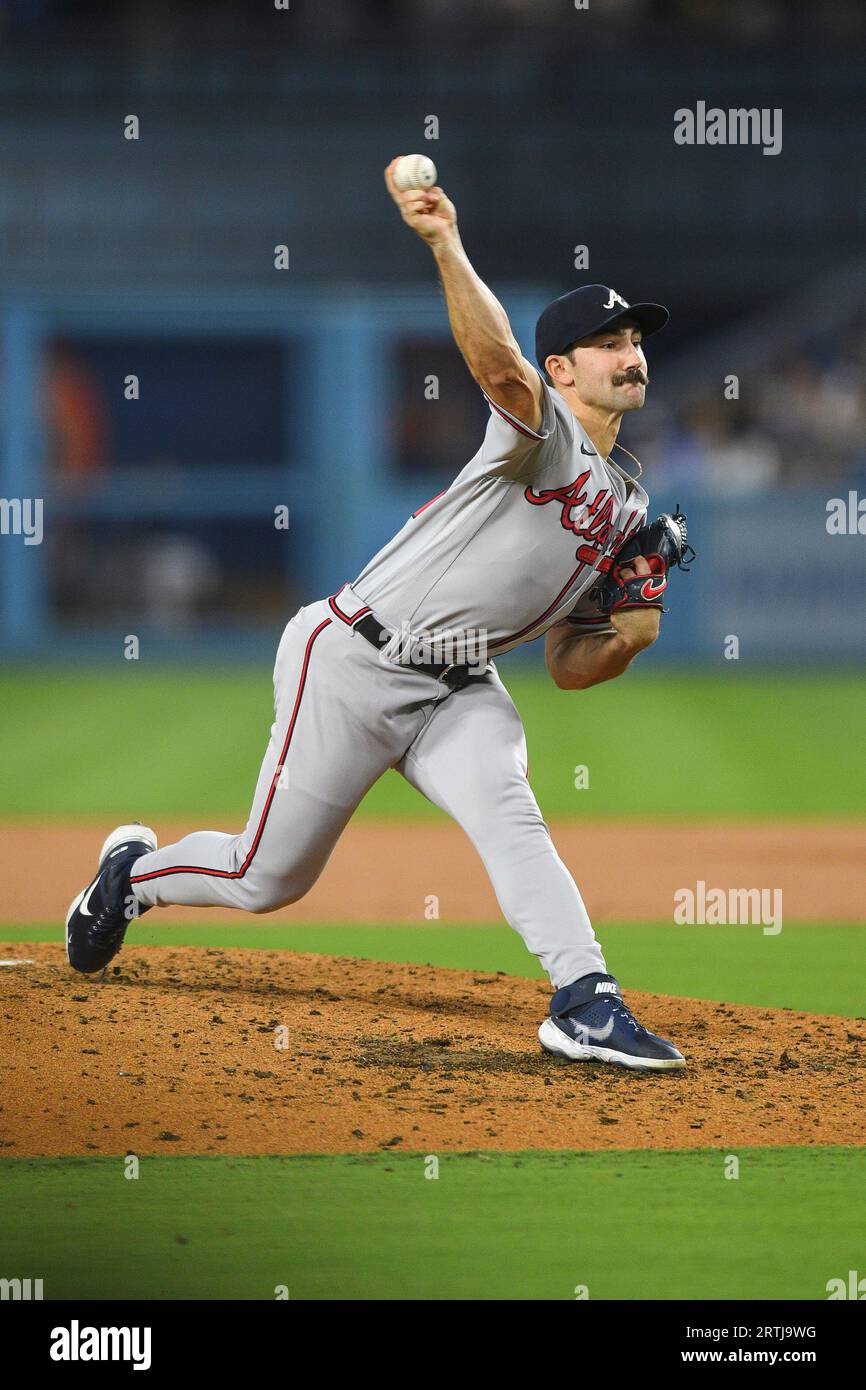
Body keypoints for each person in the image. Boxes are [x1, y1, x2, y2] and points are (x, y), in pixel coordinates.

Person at [65, 158, 686, 1072]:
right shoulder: (541, 427)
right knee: (265, 877)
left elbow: (566, 665)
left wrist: (629, 635)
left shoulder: (627, 507)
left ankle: (584, 1001)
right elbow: (493, 362)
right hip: (353, 660)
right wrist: (445, 242)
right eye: (608, 341)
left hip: (460, 685)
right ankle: (130, 878)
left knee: (512, 814)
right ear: (563, 368)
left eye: (635, 337)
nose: (631, 352)